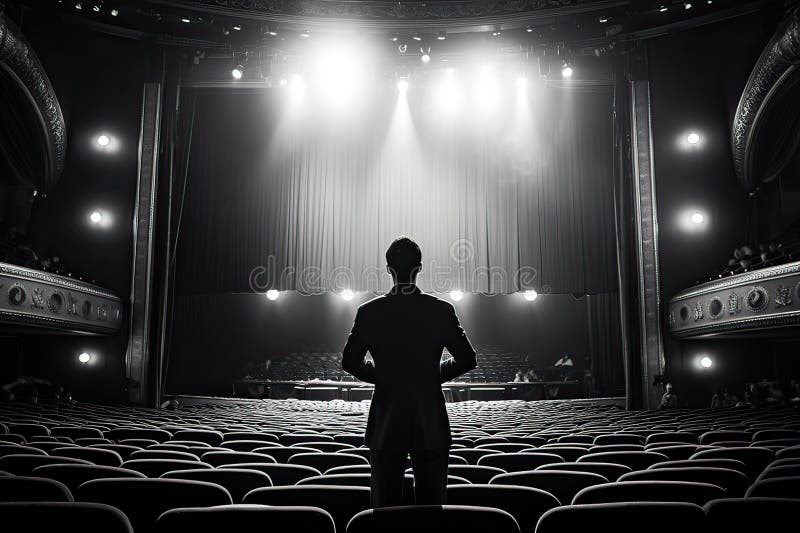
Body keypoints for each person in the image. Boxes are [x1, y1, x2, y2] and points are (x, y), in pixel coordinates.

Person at [342, 236, 477, 508]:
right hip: (430, 421)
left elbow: (350, 361)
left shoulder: (369, 312)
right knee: (431, 508)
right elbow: (467, 359)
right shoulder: (441, 310)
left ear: (389, 269)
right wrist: (431, 374)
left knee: (384, 508)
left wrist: (381, 375)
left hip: (386, 423)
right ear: (420, 268)